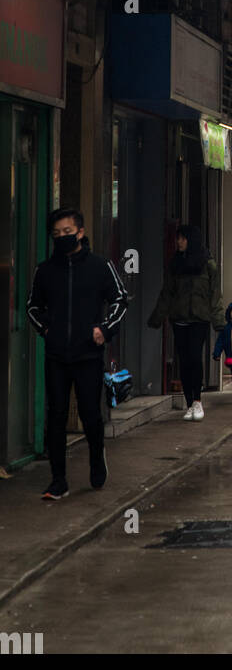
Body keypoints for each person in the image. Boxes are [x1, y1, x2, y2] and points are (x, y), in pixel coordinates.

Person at [26, 208, 129, 500]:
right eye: (56, 234)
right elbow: (32, 307)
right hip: (56, 354)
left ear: (80, 233)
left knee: (89, 413)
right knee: (56, 415)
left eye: (67, 233)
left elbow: (120, 300)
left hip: (88, 354)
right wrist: (46, 329)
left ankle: (97, 457)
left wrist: (104, 330)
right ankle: (58, 480)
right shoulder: (45, 270)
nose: (62, 238)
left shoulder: (99, 266)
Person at [148, 224, 223, 422]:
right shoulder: (175, 264)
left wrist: (218, 322)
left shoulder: (208, 264)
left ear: (192, 240)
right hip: (179, 318)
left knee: (195, 358)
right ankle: (189, 403)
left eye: (182, 238)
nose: (178, 242)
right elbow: (167, 293)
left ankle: (197, 401)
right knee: (184, 360)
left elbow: (215, 294)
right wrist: (157, 317)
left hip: (199, 319)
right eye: (177, 239)